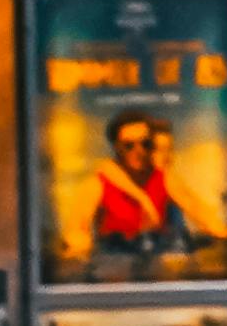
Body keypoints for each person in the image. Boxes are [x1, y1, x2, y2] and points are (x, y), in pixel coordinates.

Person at [82, 112, 192, 277]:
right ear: (116, 147)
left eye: (146, 144)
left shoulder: (166, 180)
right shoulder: (99, 183)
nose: (139, 151)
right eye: (128, 145)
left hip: (155, 264)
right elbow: (77, 230)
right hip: (115, 266)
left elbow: (196, 210)